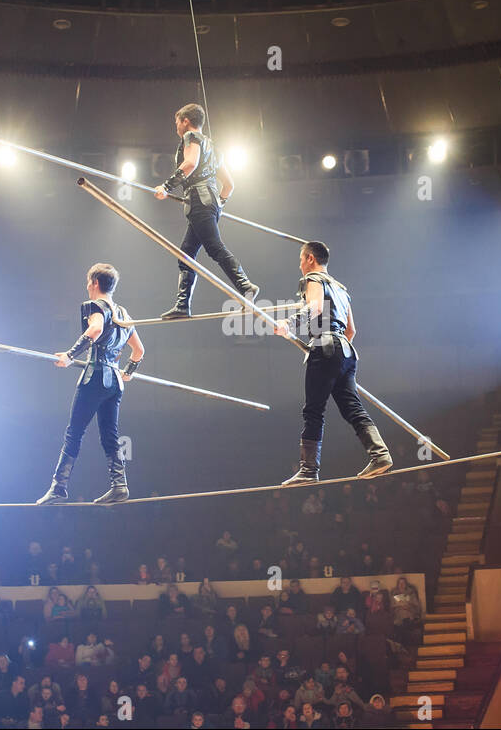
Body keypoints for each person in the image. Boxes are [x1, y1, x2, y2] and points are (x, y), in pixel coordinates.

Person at [275, 241, 391, 484]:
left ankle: (308, 470)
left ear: (309, 258)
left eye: (300, 260)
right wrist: (336, 351)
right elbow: (351, 331)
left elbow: (315, 307)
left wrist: (290, 324)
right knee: (353, 408)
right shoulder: (341, 289)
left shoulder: (313, 279)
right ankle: (380, 454)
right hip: (346, 352)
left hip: (325, 348)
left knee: (313, 410)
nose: (299, 266)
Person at [37, 263, 145, 506]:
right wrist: (128, 372)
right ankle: (119, 485)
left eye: (88, 283)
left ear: (95, 283)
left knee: (74, 432)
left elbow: (95, 329)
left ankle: (59, 486)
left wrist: (69, 355)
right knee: (110, 434)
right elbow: (139, 350)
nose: (87, 287)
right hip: (115, 381)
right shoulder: (124, 314)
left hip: (95, 375)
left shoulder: (95, 307)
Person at [153, 103, 258, 318]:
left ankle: (245, 286)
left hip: (199, 202)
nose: (176, 128)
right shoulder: (214, 148)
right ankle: (183, 306)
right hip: (207, 202)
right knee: (186, 255)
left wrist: (166, 186)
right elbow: (229, 185)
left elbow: (190, 163)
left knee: (213, 247)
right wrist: (219, 203)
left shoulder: (191, 137)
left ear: (186, 121)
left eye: (177, 123)